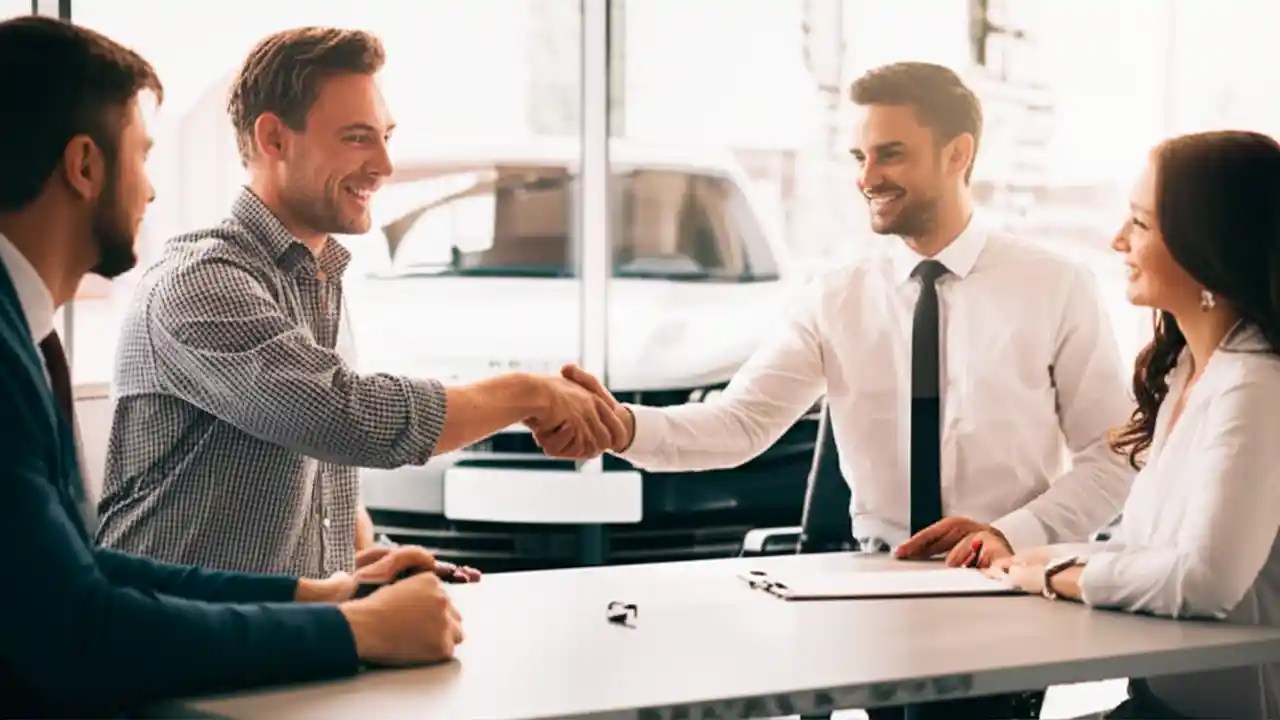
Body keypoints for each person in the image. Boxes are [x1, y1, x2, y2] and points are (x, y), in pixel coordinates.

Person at [546, 61, 1136, 719]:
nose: (866, 177)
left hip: (1005, 588)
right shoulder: (836, 295)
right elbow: (738, 424)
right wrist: (623, 427)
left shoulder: (1056, 287)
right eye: (860, 155)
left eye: (890, 154)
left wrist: (1011, 534)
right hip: (872, 591)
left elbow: (1112, 459)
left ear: (958, 153)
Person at [0, 17, 466, 717]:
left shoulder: (22, 331)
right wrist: (351, 628)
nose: (153, 191)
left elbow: (77, 572)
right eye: (144, 155)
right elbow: (78, 627)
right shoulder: (187, 285)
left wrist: (326, 593)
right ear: (85, 167)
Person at [96, 26, 627, 578]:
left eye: (385, 136)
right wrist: (527, 392)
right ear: (274, 139)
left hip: (277, 634)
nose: (384, 165)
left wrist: (364, 564)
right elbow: (344, 417)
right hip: (173, 644)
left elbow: (316, 460)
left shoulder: (319, 277)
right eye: (356, 138)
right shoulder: (202, 282)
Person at [987, 130, 1280, 720]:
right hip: (1158, 701)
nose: (1117, 239)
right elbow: (1147, 553)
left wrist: (1059, 574)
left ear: (1210, 247)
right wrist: (1020, 552)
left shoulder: (1256, 387)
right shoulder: (1191, 372)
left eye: (1141, 223)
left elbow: (1204, 581)